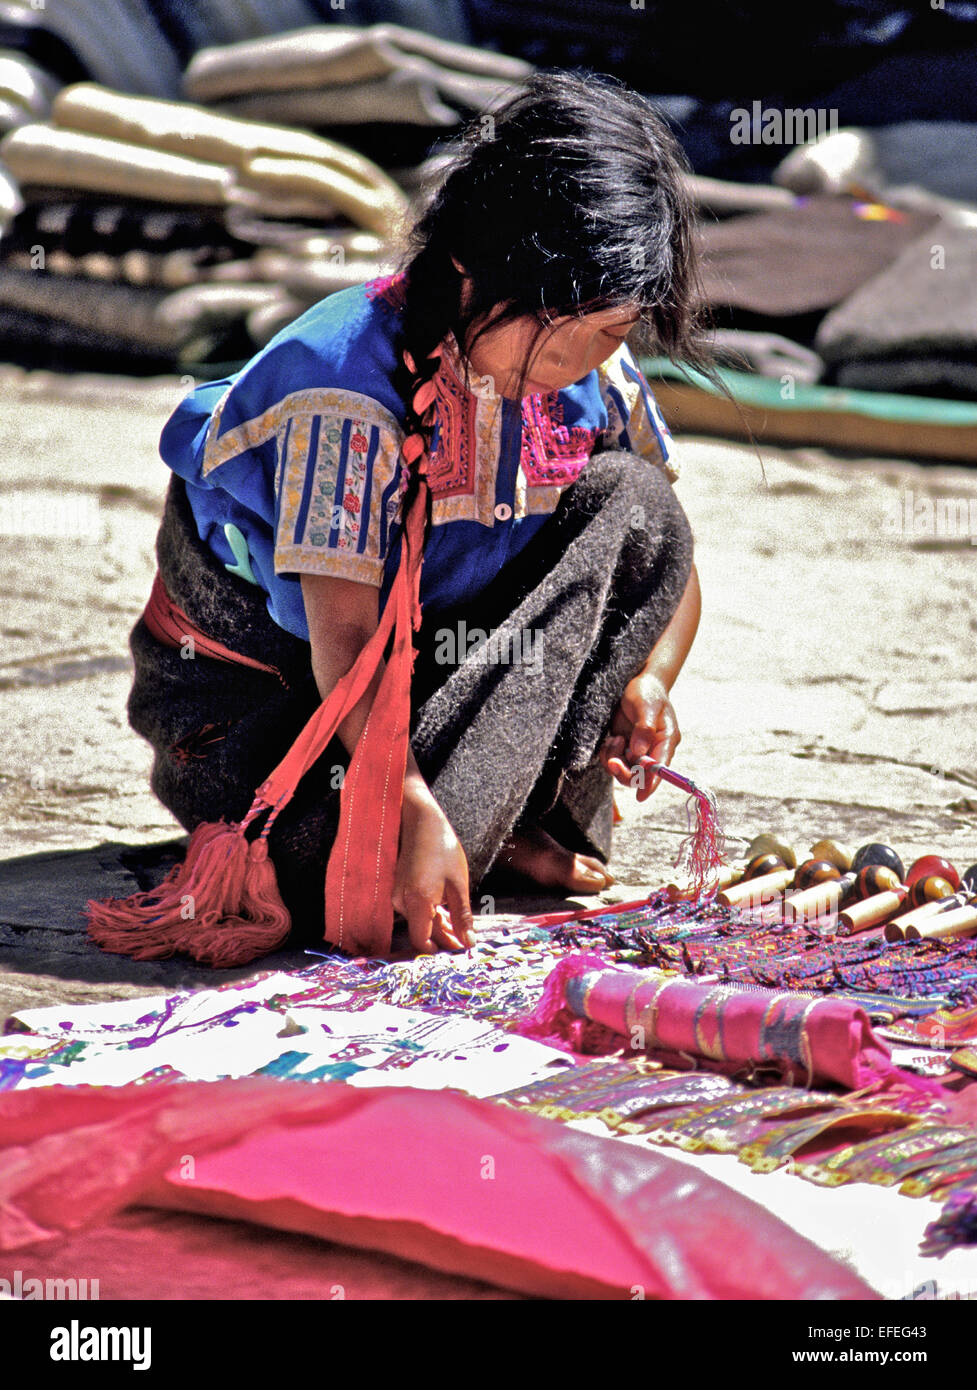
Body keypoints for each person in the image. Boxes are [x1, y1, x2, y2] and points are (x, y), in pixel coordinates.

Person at [122, 69, 707, 963]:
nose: (586, 356)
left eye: (612, 331)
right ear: (471, 263)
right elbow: (349, 641)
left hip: (435, 682)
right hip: (267, 721)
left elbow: (668, 560)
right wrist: (410, 809)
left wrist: (648, 680)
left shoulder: (591, 376)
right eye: (564, 326)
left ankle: (484, 820)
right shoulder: (344, 387)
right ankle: (452, 828)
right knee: (346, 878)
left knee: (636, 503)